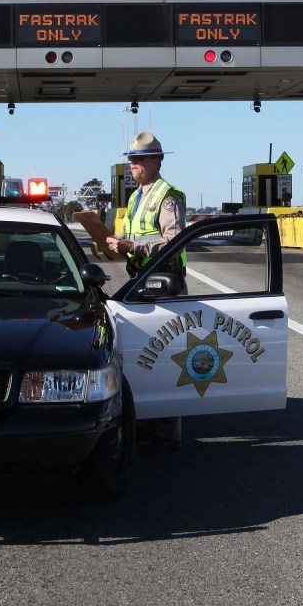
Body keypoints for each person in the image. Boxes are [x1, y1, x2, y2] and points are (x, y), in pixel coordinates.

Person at [106, 131, 186, 453]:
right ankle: (145, 420)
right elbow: (131, 237)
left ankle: (167, 431)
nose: (132, 164)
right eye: (130, 158)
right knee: (145, 355)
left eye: (138, 159)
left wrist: (133, 246)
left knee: (166, 356)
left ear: (156, 160)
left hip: (163, 284)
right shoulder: (138, 196)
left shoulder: (168, 196)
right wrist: (114, 244)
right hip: (142, 281)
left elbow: (174, 241)